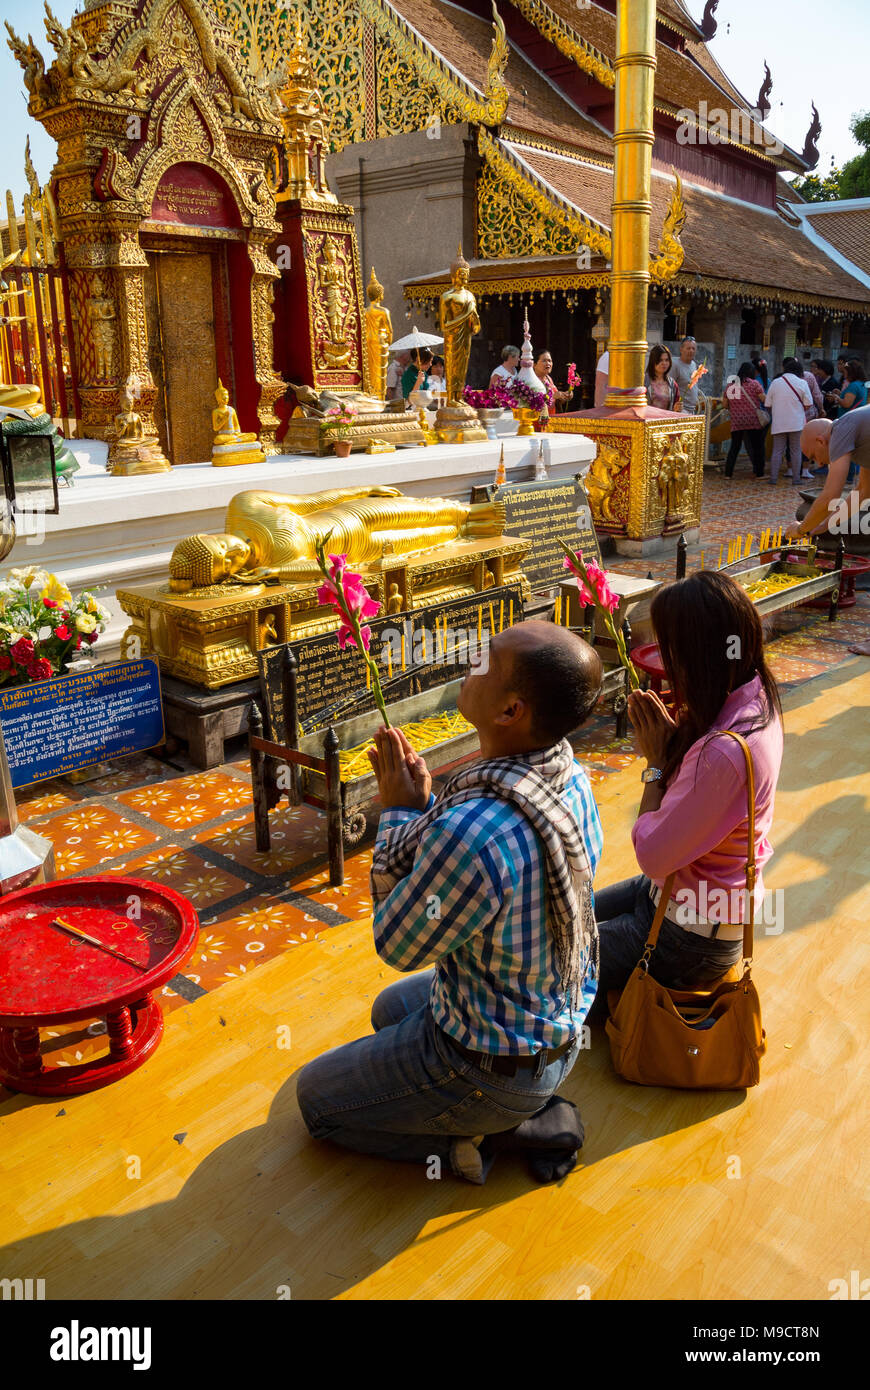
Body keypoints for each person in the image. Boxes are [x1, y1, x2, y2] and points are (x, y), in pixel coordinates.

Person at [296, 622, 605, 1186]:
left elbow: (397, 943)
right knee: (390, 1009)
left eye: (484, 661)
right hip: (551, 1020)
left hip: (491, 1066)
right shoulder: (565, 775)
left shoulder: (471, 832)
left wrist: (397, 812)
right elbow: (473, 868)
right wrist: (425, 810)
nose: (470, 661)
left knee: (315, 1101)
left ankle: (478, 1135)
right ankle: (512, 1108)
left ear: (511, 710)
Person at [587, 571, 783, 1024]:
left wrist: (656, 763)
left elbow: (652, 856)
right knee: (565, 920)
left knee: (547, 969)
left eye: (670, 651)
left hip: (687, 938)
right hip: (679, 897)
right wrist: (680, 748)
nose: (664, 665)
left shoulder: (724, 752)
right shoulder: (755, 697)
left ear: (698, 657)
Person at [790, 410, 870, 660]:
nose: (820, 464)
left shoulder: (841, 428)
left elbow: (830, 495)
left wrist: (801, 529)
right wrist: (827, 523)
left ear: (821, 441)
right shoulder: (857, 432)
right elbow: (864, 491)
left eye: (814, 457)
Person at [764, 357, 813, 485]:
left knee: (777, 450)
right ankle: (796, 479)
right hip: (796, 422)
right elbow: (809, 404)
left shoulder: (775, 382)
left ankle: (773, 478)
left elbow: (767, 404)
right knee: (796, 450)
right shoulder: (802, 383)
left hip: (779, 422)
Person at [723, 363, 767, 477]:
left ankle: (728, 474)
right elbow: (764, 400)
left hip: (737, 421)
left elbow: (725, 404)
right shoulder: (755, 384)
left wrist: (736, 407)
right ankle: (759, 473)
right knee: (758, 447)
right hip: (753, 421)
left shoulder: (730, 386)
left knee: (734, 447)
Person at [670, 336, 703, 415]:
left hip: (692, 409)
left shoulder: (693, 364)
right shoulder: (675, 364)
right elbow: (670, 387)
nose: (691, 351)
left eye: (693, 348)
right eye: (688, 348)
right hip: (680, 410)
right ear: (681, 349)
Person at [645, 344, 682, 411]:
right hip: (648, 419)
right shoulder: (644, 381)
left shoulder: (672, 384)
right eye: (660, 360)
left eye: (666, 360)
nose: (664, 363)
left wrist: (676, 409)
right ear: (653, 361)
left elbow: (675, 409)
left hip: (666, 420)